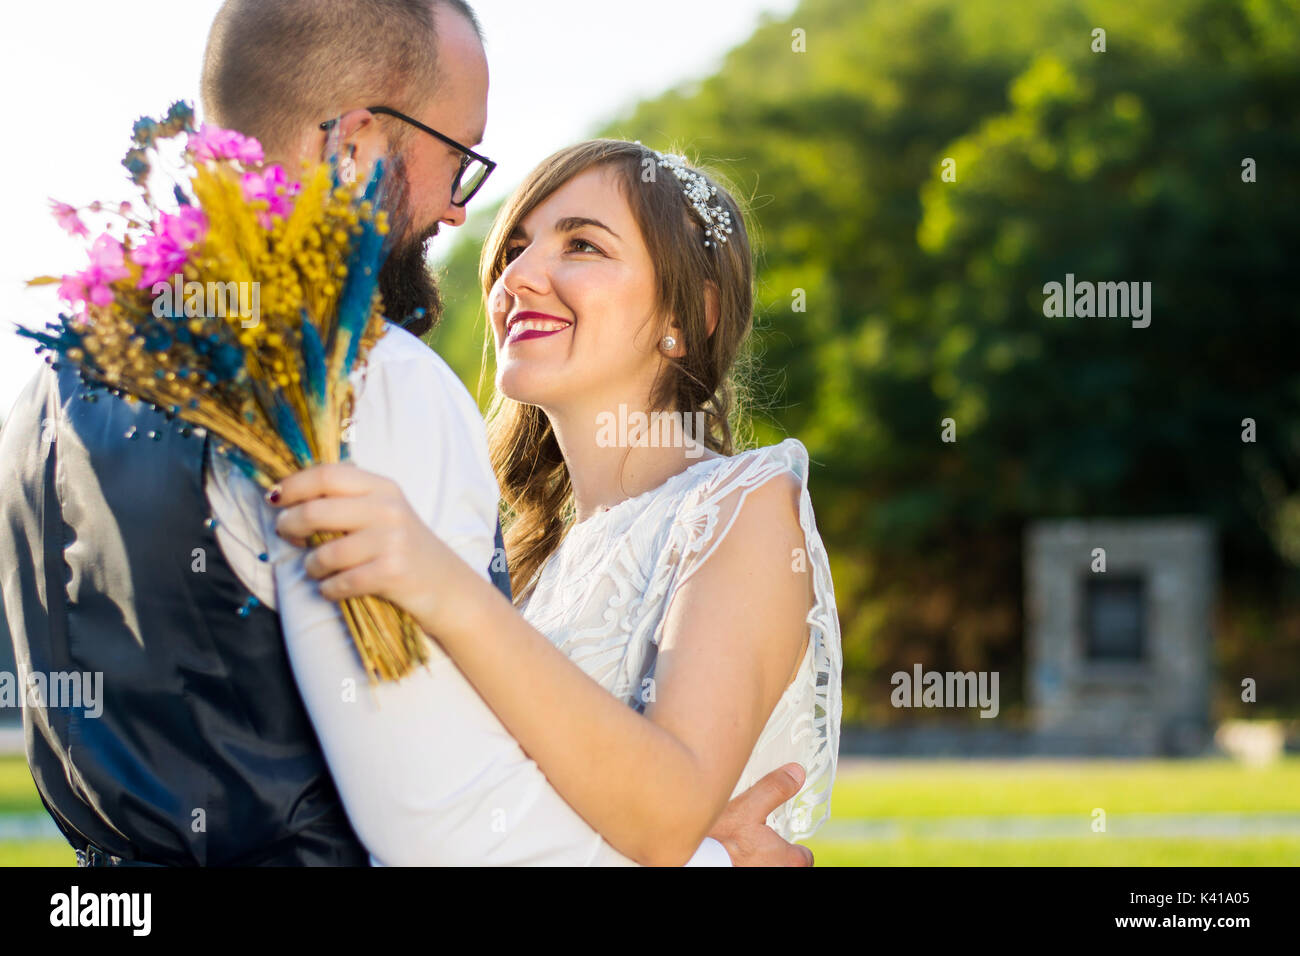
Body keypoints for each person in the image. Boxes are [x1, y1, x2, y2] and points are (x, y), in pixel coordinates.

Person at [0, 0, 808, 866]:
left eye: (580, 244)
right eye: (456, 159)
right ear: (354, 146)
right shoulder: (364, 383)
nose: (465, 220)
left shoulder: (55, 386)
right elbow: (444, 830)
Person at [253, 139, 844, 865]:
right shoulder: (531, 554)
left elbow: (666, 815)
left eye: (583, 246)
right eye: (514, 250)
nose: (518, 279)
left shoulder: (740, 508)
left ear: (692, 314)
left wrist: (441, 586)